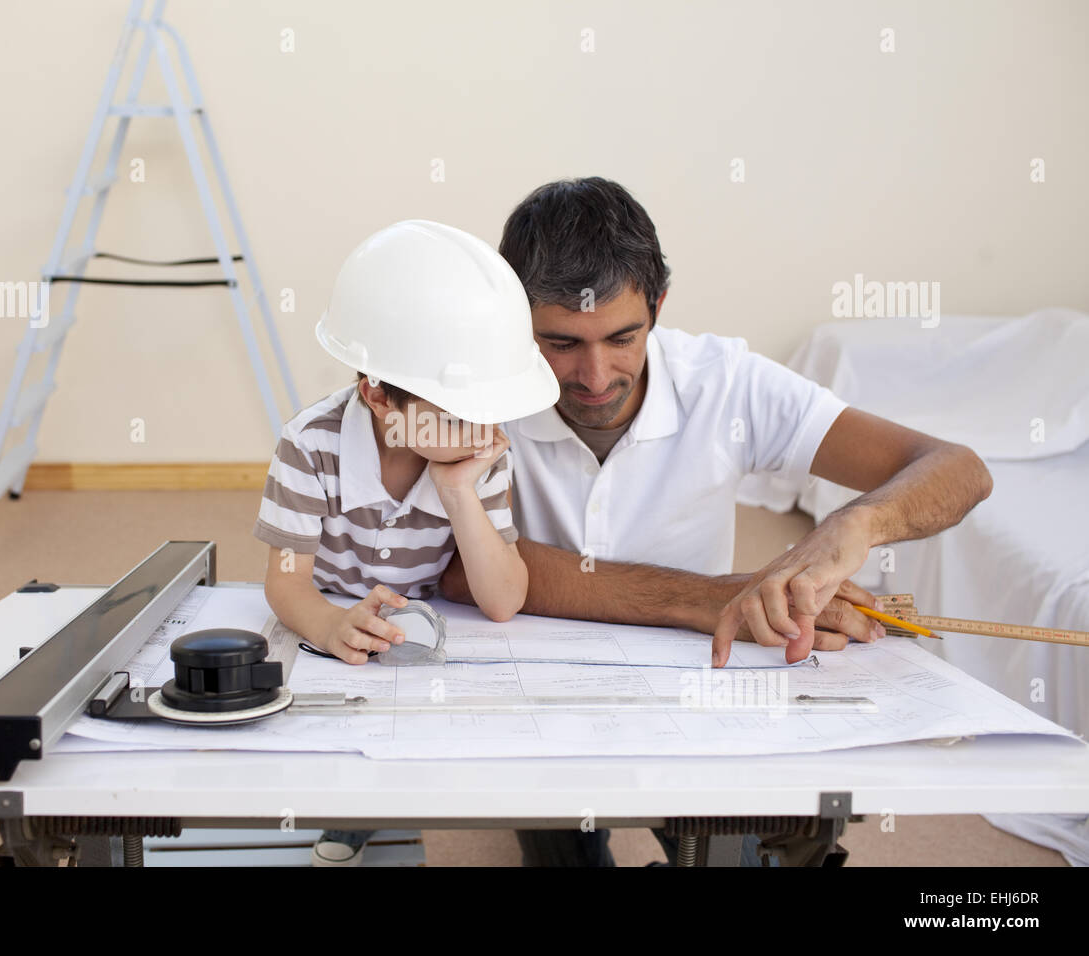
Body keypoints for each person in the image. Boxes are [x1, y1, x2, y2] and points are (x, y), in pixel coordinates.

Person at [439, 177, 993, 866]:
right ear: (512, 320)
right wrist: (710, 596)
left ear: (659, 305)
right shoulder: (473, 388)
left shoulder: (725, 382)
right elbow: (464, 569)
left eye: (623, 337)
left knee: (737, 836)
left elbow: (958, 469)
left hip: (699, 672)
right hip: (537, 671)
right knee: (560, 834)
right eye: (559, 342)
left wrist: (852, 528)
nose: (595, 374)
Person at [254, 219, 560, 865]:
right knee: (331, 747)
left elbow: (504, 601)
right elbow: (285, 581)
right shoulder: (309, 445)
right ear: (376, 394)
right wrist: (333, 626)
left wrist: (458, 494)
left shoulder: (480, 453)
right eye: (456, 412)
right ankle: (356, 811)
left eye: (488, 406)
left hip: (424, 631)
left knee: (443, 743)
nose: (482, 429)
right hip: (332, 626)